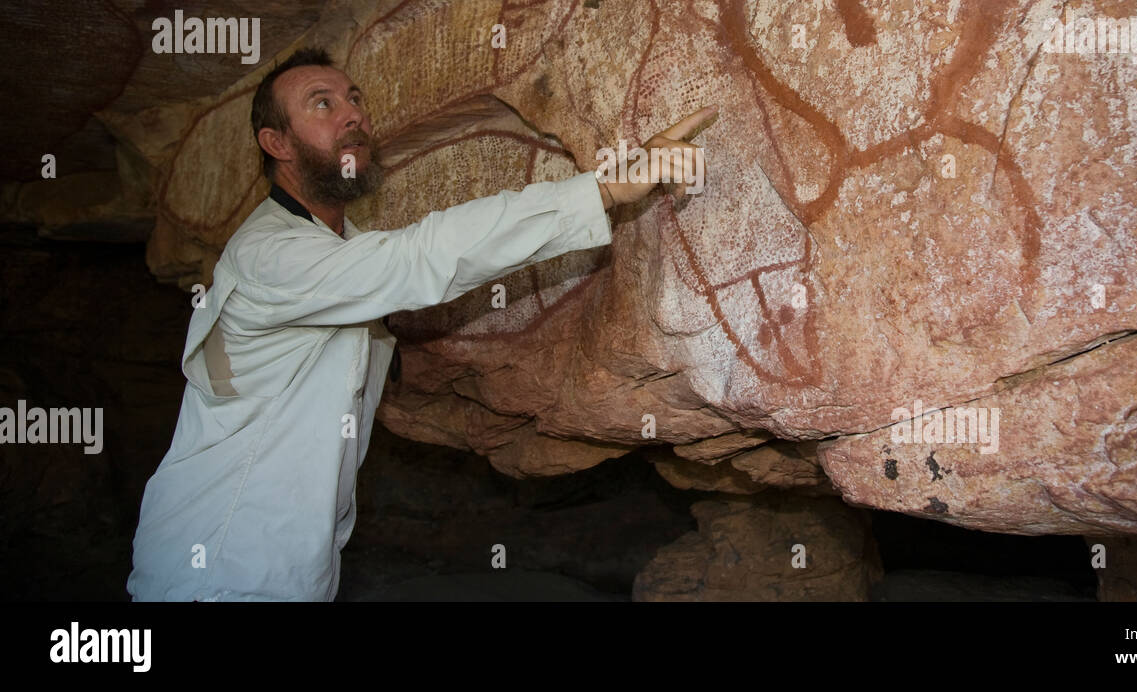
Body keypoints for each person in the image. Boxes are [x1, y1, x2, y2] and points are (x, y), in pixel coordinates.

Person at [127, 46, 716, 601]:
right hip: (217, 570)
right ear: (276, 142)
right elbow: (419, 257)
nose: (353, 114)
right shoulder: (267, 256)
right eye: (323, 103)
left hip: (290, 572)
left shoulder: (336, 247)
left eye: (354, 98)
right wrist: (608, 189)